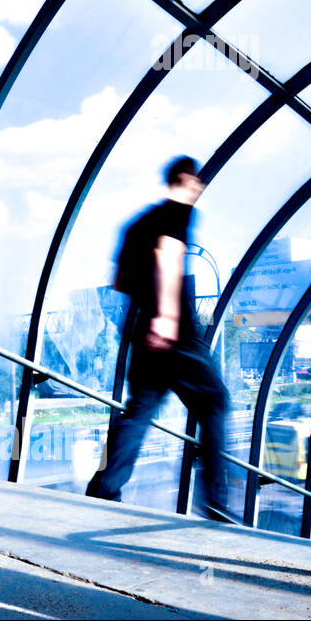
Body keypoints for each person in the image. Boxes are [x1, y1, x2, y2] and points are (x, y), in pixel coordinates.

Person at [86, 156, 233, 523]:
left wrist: (148, 312)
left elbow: (119, 281)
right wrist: (166, 317)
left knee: (139, 411)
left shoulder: (135, 224)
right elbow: (167, 255)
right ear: (184, 179)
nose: (199, 189)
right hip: (176, 333)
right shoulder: (178, 212)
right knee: (214, 402)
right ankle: (215, 500)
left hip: (140, 328)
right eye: (196, 182)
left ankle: (104, 489)